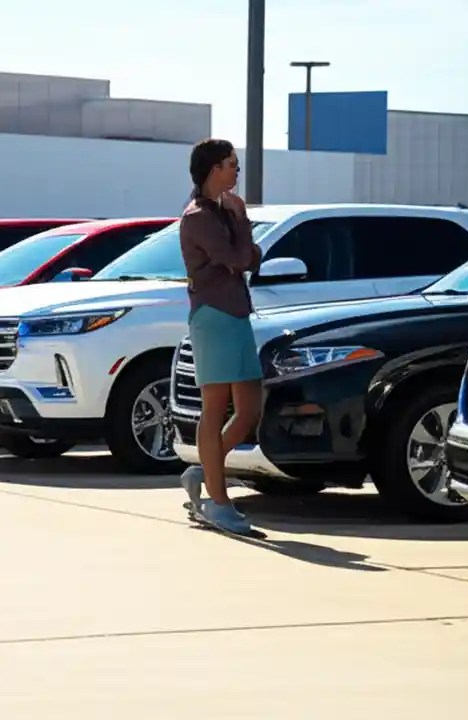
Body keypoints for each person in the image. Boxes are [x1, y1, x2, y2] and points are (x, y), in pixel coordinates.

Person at [178, 138, 264, 534]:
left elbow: (252, 258)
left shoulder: (224, 211)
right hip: (213, 315)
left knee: (248, 410)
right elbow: (237, 259)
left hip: (237, 313)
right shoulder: (198, 215)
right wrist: (243, 221)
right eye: (231, 164)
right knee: (214, 407)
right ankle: (217, 501)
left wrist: (240, 230)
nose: (236, 170)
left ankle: (204, 470)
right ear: (214, 169)